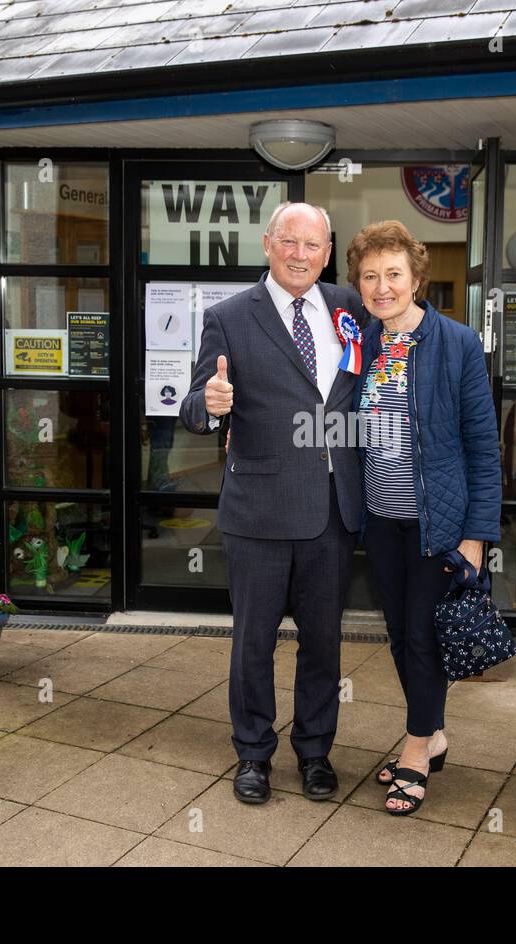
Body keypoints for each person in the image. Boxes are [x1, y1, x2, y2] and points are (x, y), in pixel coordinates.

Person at [181, 202, 369, 805]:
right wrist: (208, 405)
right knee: (253, 643)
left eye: (312, 246)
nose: (299, 255)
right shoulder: (230, 317)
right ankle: (253, 754)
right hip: (258, 511)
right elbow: (191, 405)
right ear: (268, 244)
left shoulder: (352, 310)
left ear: (327, 250)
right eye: (289, 242)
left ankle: (315, 753)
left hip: (333, 510)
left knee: (324, 643)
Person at [349, 220, 501, 816]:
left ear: (415, 279)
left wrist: (476, 538)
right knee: (397, 633)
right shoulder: (360, 341)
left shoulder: (456, 343)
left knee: (421, 637)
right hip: (380, 521)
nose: (382, 286)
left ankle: (415, 752)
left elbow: (483, 448)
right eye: (370, 276)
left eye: (393, 274)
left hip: (437, 524)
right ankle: (433, 733)